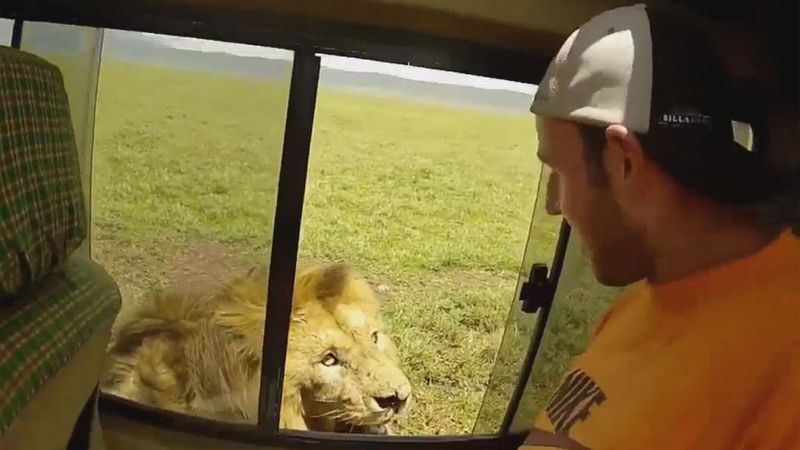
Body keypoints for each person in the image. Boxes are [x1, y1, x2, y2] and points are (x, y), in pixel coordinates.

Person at [518, 3, 799, 450]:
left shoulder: (789, 353)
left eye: (559, 174)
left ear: (623, 161)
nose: (554, 205)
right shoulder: (639, 304)